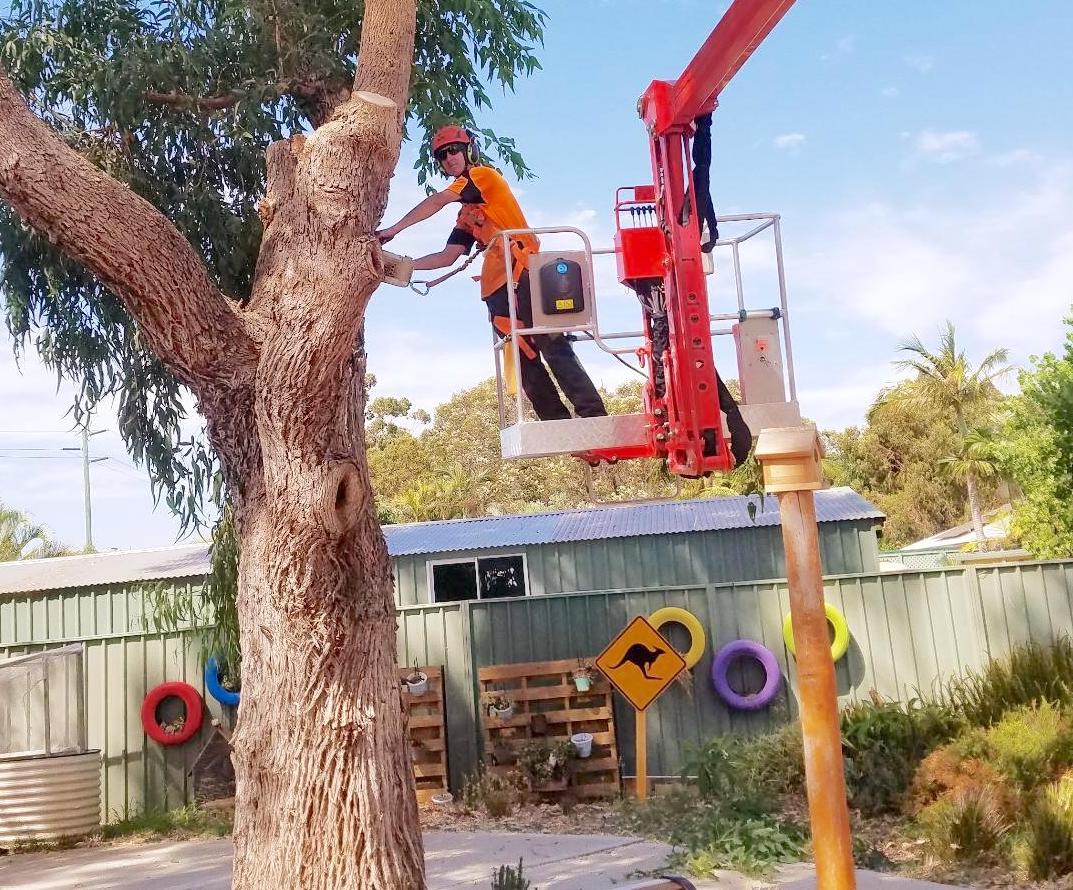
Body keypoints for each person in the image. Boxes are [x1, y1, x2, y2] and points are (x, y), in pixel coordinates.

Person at [376, 124, 607, 422]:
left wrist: (393, 230)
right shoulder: (469, 214)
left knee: (552, 344)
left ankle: (592, 415)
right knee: (523, 354)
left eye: (454, 151)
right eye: (442, 156)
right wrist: (402, 265)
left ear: (468, 150)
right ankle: (556, 422)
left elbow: (436, 201)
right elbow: (448, 256)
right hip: (498, 287)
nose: (449, 158)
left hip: (524, 273)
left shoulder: (482, 176)